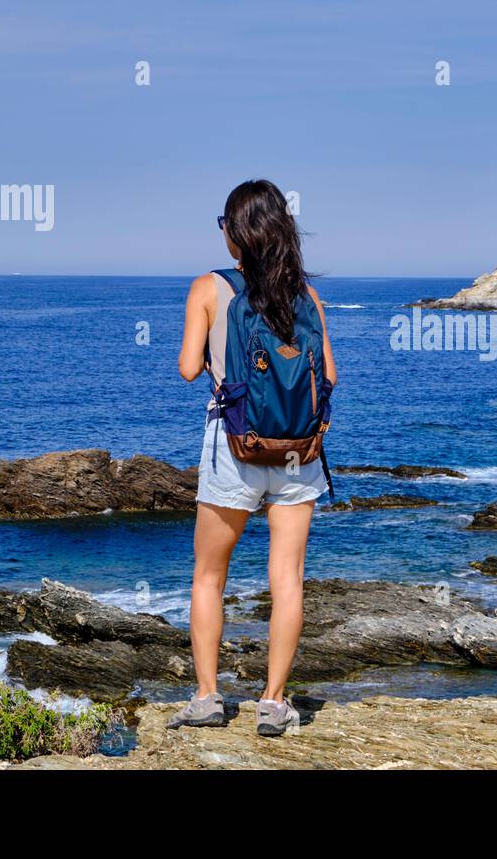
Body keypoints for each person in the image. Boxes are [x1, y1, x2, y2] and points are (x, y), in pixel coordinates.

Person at [168, 179, 336, 736]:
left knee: (209, 576)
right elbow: (329, 377)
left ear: (235, 232)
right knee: (286, 577)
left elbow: (189, 368)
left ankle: (209, 697)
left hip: (234, 448)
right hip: (297, 452)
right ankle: (272, 702)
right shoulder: (306, 296)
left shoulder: (209, 287)